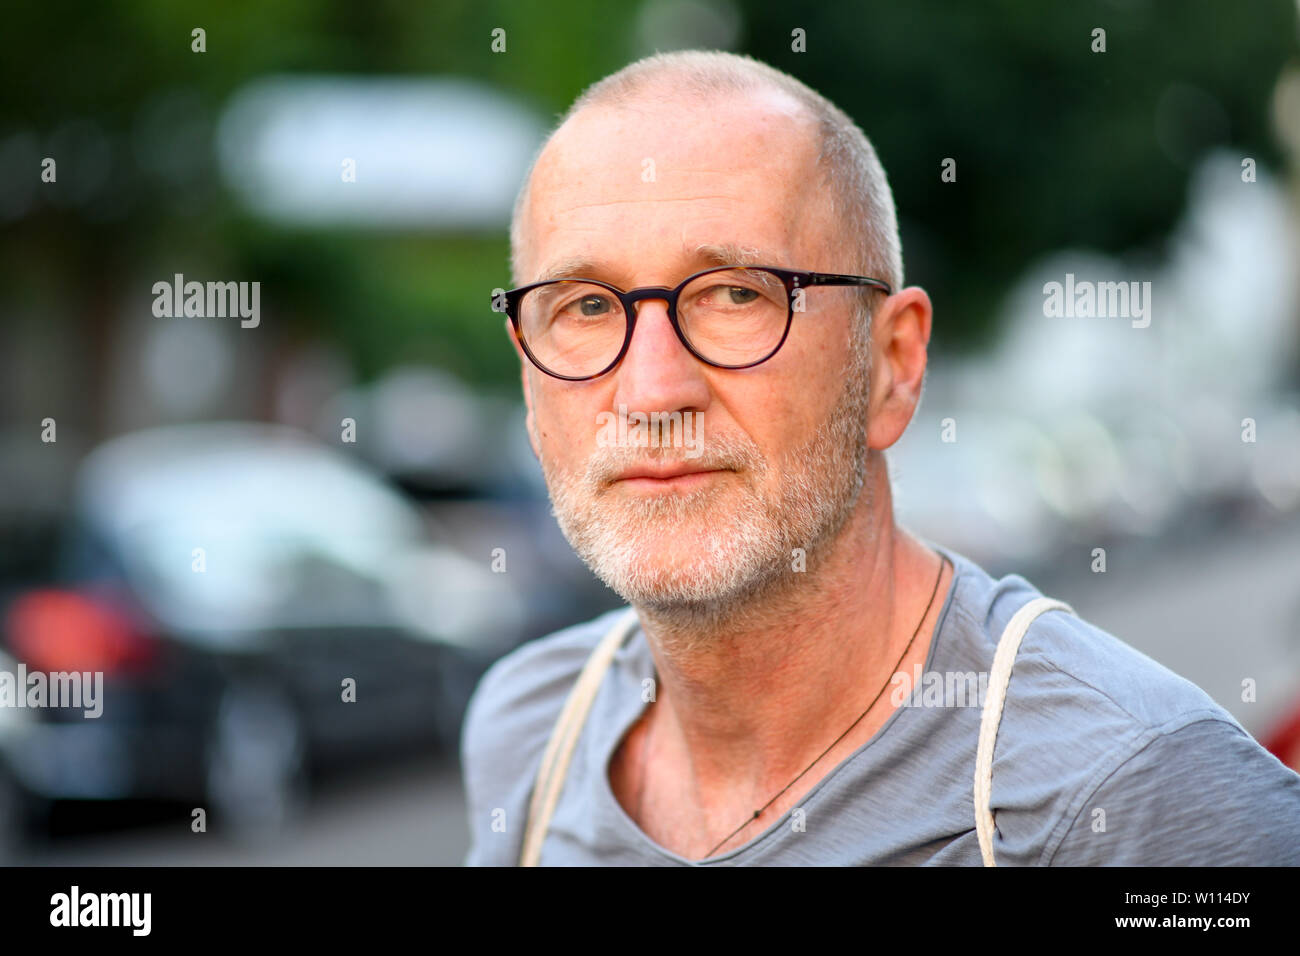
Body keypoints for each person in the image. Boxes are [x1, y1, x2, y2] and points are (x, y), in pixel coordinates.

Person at [460, 49, 1300, 865]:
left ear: (893, 364)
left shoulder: (1134, 792)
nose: (650, 392)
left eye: (734, 295)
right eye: (585, 307)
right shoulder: (532, 727)